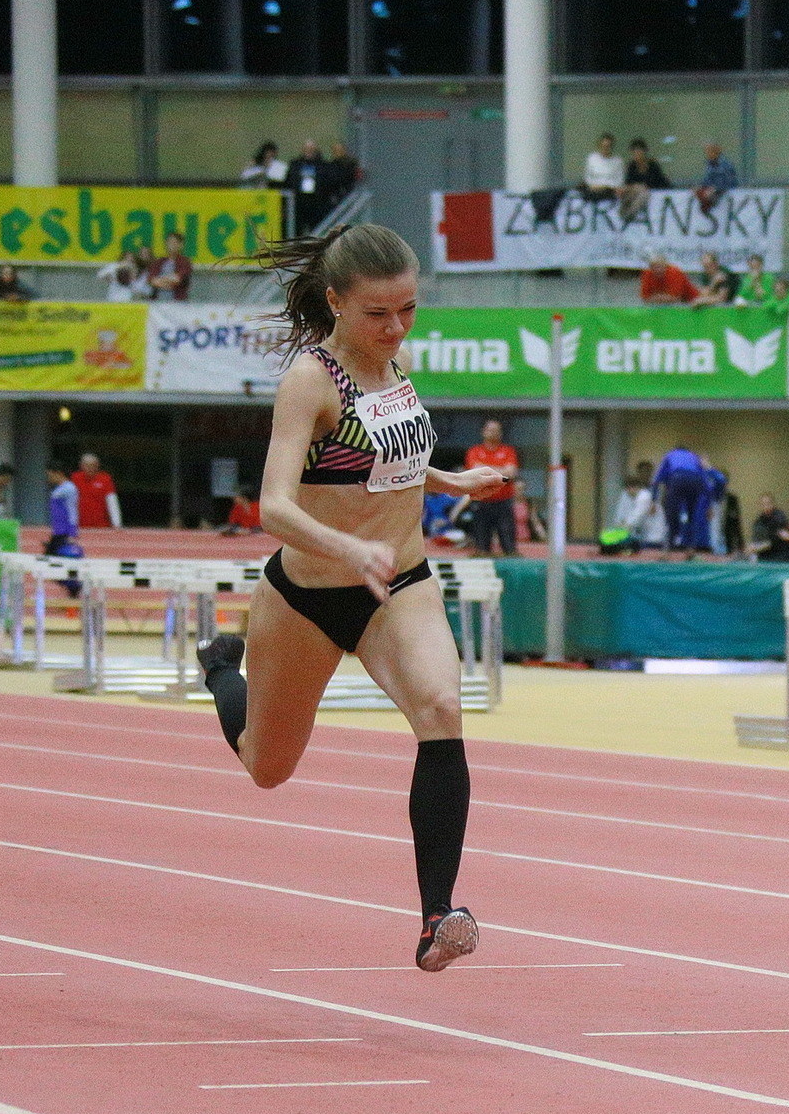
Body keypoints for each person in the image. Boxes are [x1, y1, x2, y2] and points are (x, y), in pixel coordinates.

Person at [192, 224, 506, 972]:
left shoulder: (395, 361)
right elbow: (272, 505)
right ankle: (217, 668)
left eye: (408, 308)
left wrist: (448, 478)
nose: (395, 326)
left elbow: (392, 453)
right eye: (377, 312)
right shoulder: (312, 379)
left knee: (441, 708)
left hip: (401, 583)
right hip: (308, 595)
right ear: (335, 300)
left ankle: (438, 916)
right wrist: (347, 547)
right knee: (267, 765)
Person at [462, 419, 519, 557]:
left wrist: (485, 468)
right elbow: (474, 471)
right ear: (483, 432)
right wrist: (501, 470)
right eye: (490, 430)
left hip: (503, 502)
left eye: (497, 430)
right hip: (481, 503)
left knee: (509, 545)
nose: (493, 433)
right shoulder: (475, 451)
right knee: (481, 545)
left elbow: (511, 473)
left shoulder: (508, 451)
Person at [652, 443, 707, 552]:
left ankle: (668, 547)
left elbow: (656, 480)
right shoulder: (694, 456)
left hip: (678, 479)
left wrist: (654, 500)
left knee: (672, 514)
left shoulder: (670, 455)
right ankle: (690, 548)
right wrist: (708, 505)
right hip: (695, 480)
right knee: (691, 516)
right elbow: (705, 481)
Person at [287, 139, 329, 233]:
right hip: (299, 201)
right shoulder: (296, 164)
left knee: (316, 230)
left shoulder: (322, 165)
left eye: (311, 149)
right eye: (307, 149)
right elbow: (289, 181)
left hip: (316, 202)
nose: (309, 152)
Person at [71, 452, 121, 530]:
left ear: (98, 465)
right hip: (80, 525)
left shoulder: (105, 479)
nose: (90, 468)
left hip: (101, 526)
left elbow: (112, 502)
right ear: (81, 465)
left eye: (93, 465)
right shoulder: (75, 478)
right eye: (87, 465)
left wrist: (117, 524)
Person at [43, 460, 81, 557]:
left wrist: (72, 533)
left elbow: (72, 511)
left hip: (64, 532)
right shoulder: (59, 489)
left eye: (50, 475)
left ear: (58, 473)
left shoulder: (69, 488)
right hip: (58, 530)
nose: (49, 478)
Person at [694, 142, 738, 214]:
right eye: (707, 152)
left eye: (710, 151)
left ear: (717, 152)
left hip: (724, 191)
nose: (708, 154)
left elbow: (730, 181)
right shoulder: (709, 164)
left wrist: (715, 188)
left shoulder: (726, 164)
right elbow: (707, 179)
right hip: (713, 190)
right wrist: (701, 186)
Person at [150, 231, 193, 301]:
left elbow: (177, 279)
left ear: (181, 245)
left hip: (177, 302)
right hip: (157, 303)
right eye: (169, 242)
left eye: (175, 242)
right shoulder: (159, 261)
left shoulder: (185, 262)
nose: (172, 245)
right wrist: (168, 283)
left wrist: (160, 279)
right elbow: (152, 280)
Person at [582, 132, 625, 203]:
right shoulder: (592, 158)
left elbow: (619, 181)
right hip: (593, 190)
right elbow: (588, 178)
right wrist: (596, 187)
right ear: (599, 145)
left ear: (612, 147)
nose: (605, 148)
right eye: (603, 146)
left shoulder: (618, 161)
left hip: (610, 191)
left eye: (608, 146)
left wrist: (605, 187)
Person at [748, 493, 789, 561]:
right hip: (764, 552)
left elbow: (776, 540)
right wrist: (752, 547)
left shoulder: (780, 517)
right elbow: (756, 537)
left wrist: (759, 547)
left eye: (768, 503)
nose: (766, 506)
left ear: (773, 504)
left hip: (780, 552)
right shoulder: (759, 520)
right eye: (763, 504)